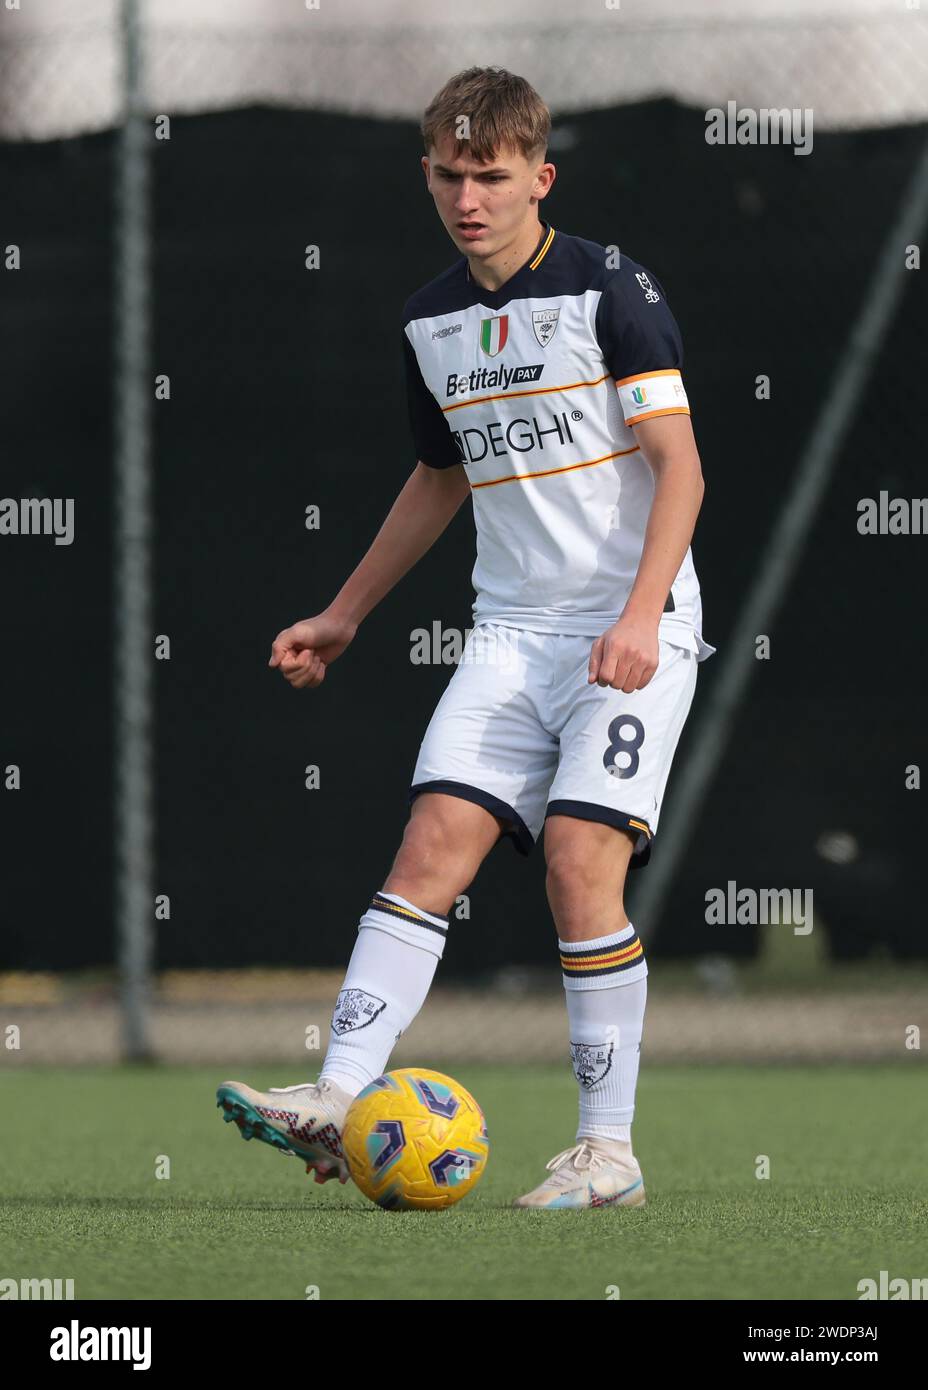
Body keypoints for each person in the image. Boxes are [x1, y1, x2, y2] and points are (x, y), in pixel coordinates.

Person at [217, 65, 715, 1209]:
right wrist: (344, 612)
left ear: (539, 176)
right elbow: (438, 479)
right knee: (428, 847)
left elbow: (678, 465)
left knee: (581, 867)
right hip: (509, 635)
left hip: (630, 628)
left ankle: (608, 1153)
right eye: (448, 175)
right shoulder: (430, 318)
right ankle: (339, 1098)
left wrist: (643, 616)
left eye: (490, 175)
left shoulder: (607, 289)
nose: (467, 197)